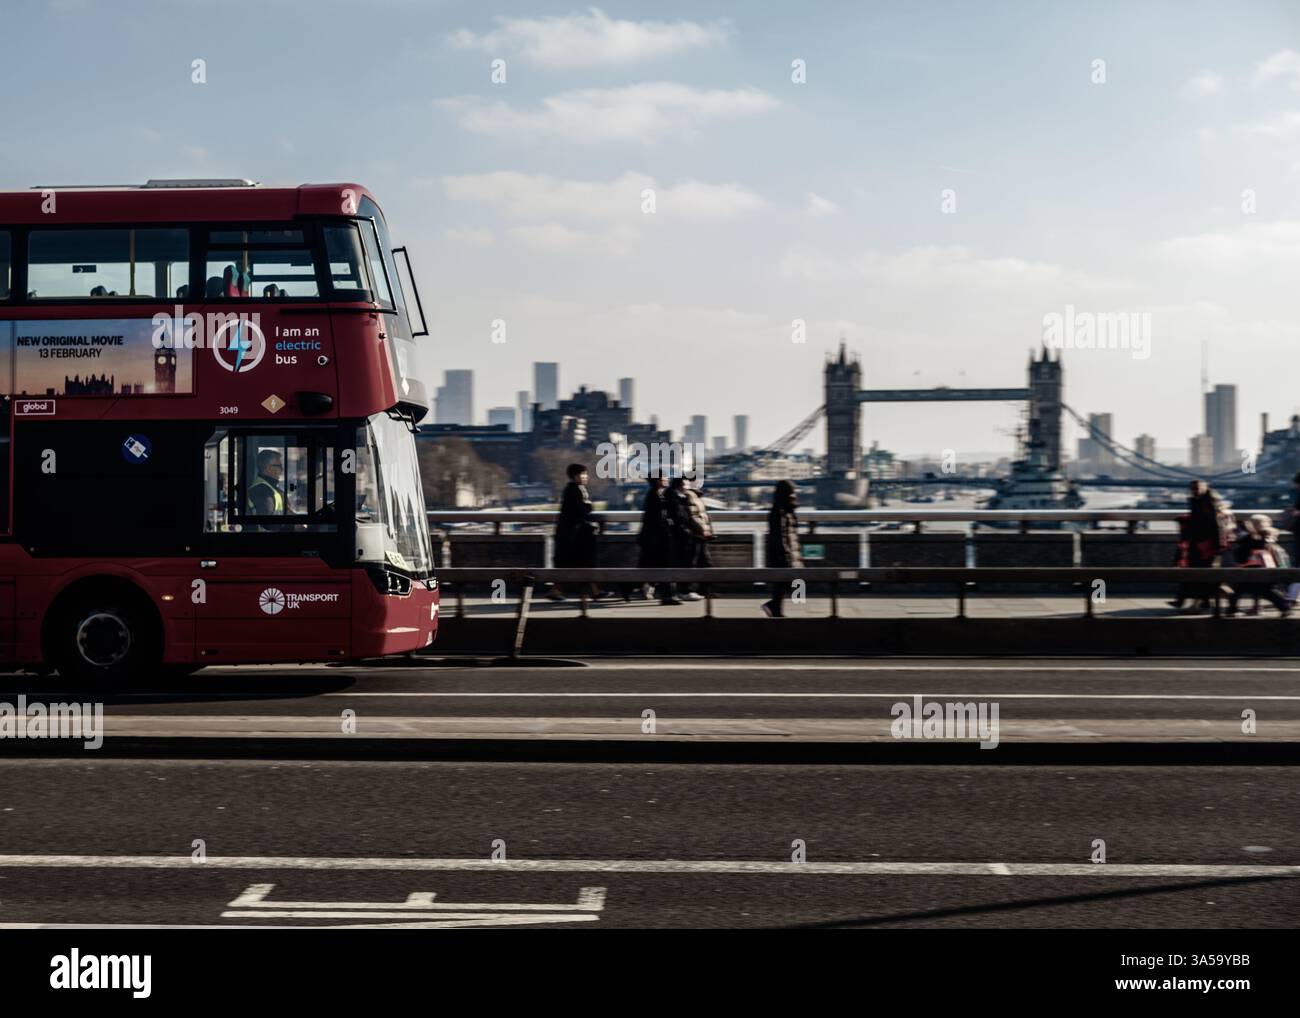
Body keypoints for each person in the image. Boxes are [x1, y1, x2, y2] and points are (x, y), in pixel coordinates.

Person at [1170, 480, 1230, 613]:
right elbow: (1199, 520)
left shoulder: (1208, 503)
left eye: (1197, 488)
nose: (1194, 491)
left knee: (1199, 574)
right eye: (1192, 489)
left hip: (1206, 545)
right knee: (1200, 574)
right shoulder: (1198, 501)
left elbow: (1217, 525)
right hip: (1198, 544)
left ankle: (1196, 604)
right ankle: (1205, 601)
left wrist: (1219, 546)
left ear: (1205, 488)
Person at [549, 463, 599, 601]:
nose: (586, 476)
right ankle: (592, 592)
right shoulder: (575, 490)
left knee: (573, 563)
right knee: (580, 563)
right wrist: (589, 505)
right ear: (577, 476)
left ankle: (593, 591)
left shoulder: (574, 488)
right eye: (584, 474)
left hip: (570, 534)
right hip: (572, 536)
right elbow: (582, 510)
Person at [1225, 515, 1292, 617]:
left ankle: (1284, 607)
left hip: (1258, 570)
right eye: (1253, 522)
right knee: (1258, 591)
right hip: (1254, 569)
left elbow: (1248, 546)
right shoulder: (1260, 537)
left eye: (1256, 523)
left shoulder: (1263, 537)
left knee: (1258, 591)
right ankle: (1284, 607)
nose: (1253, 525)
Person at [636, 475, 680, 605]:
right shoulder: (654, 495)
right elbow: (656, 518)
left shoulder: (658, 493)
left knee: (649, 566)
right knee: (663, 566)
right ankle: (667, 596)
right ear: (657, 481)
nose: (667, 480)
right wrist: (669, 523)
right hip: (656, 538)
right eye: (664, 478)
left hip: (656, 538)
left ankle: (627, 586)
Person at [762, 480, 802, 618]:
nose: (794, 495)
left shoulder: (786, 510)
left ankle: (775, 608)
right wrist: (785, 553)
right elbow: (780, 535)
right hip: (783, 553)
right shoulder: (779, 512)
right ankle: (775, 608)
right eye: (792, 492)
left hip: (788, 552)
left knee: (782, 583)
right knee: (782, 582)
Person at [247, 448, 286, 524]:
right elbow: (267, 523)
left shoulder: (271, 488)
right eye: (279, 466)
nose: (282, 470)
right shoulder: (261, 490)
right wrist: (292, 527)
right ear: (268, 468)